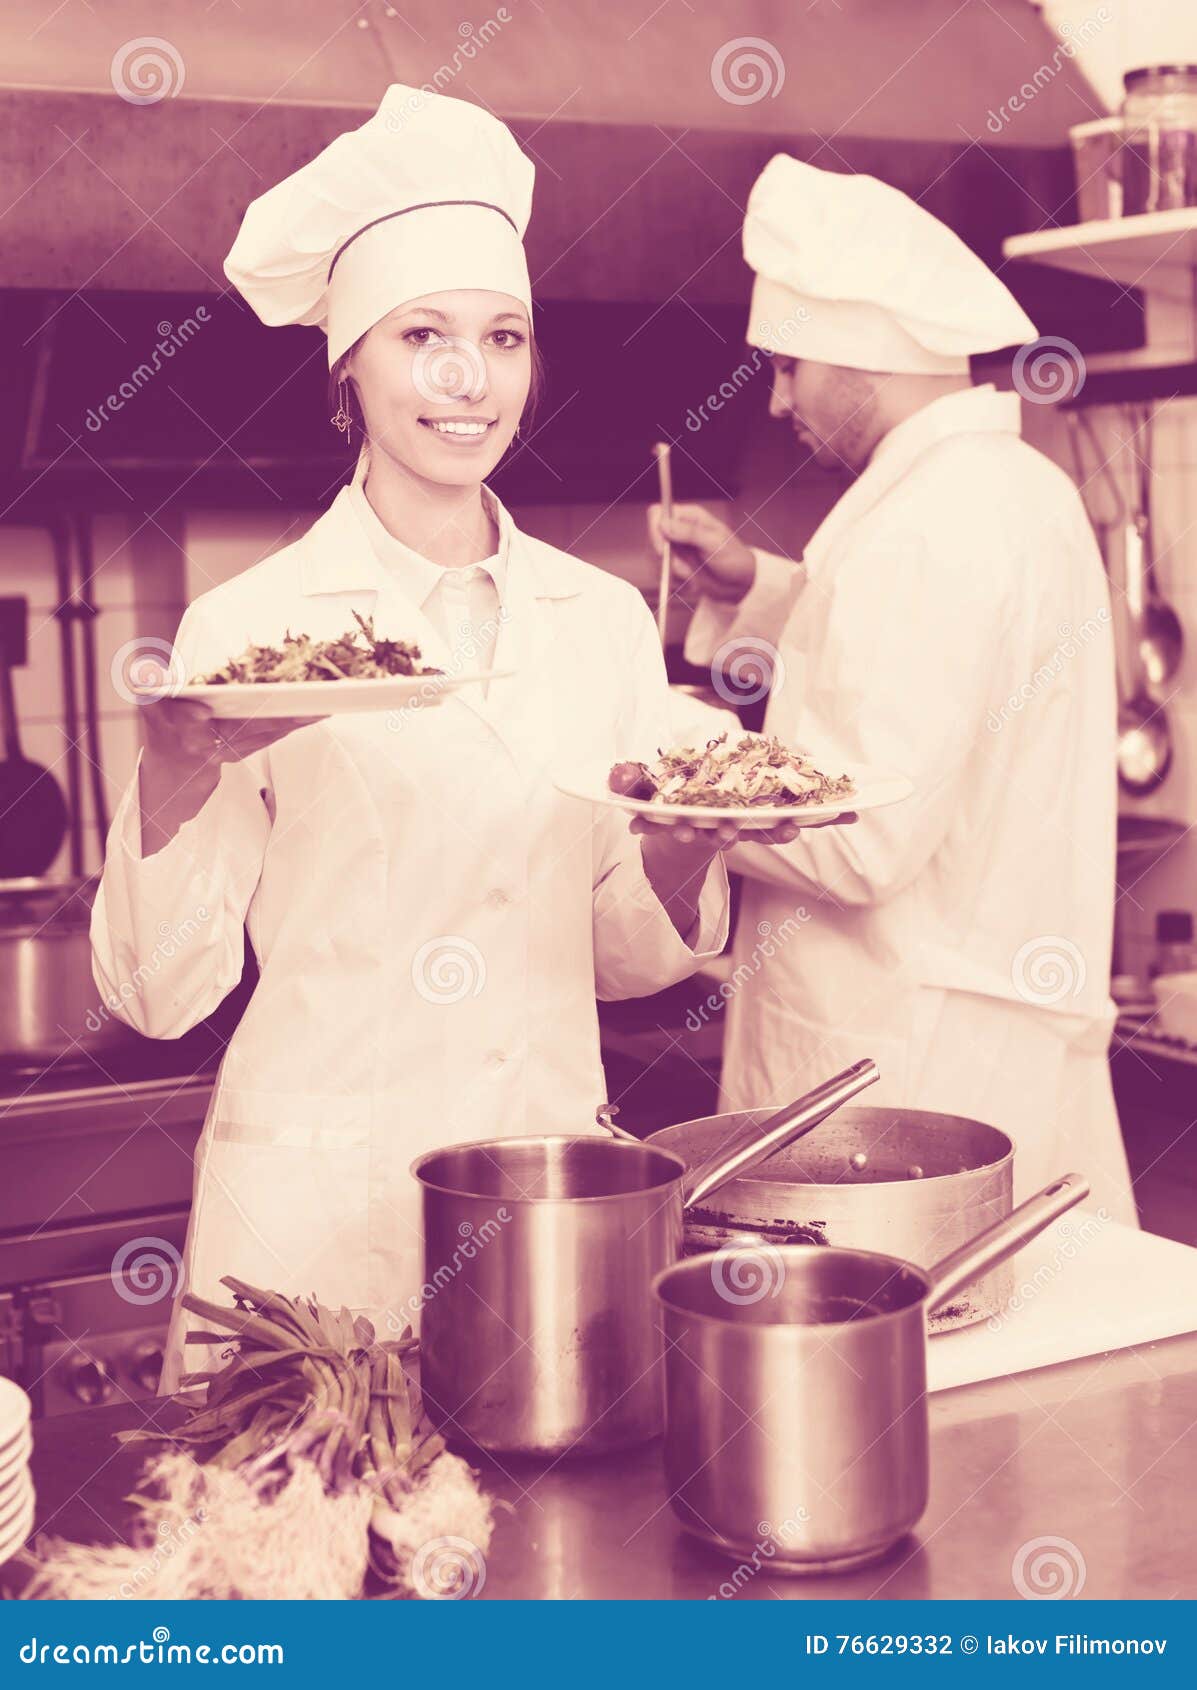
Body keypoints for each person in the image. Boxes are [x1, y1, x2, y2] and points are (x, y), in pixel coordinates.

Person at [90, 90, 824, 1390]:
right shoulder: (253, 623)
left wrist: (673, 857)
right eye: (422, 333)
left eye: (503, 335)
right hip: (316, 1218)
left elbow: (618, 959)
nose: (465, 377)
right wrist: (174, 774)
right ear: (350, 368)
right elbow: (159, 998)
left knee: (545, 1572)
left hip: (546, 1208)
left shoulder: (595, 619)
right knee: (301, 1573)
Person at [649, 156, 1136, 1224]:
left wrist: (669, 768)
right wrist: (763, 591)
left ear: (861, 351)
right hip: (972, 1038)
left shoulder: (927, 527)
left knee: (894, 1376)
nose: (776, 403)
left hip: (904, 1085)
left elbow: (865, 834)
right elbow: (916, 685)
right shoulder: (1008, 488)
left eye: (787, 367)